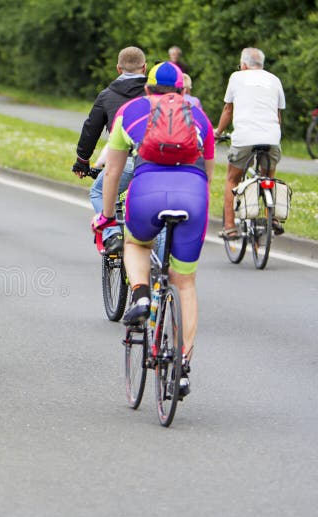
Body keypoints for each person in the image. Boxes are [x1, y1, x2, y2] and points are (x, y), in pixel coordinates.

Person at [96, 62, 215, 397]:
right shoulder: (199, 116)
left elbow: (112, 172)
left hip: (146, 192)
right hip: (192, 195)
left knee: (136, 244)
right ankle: (182, 368)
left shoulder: (130, 111)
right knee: (185, 282)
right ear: (181, 90)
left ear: (147, 89)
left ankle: (141, 294)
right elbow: (208, 173)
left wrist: (107, 216)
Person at [71, 46, 147, 254]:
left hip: (125, 161)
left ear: (118, 69)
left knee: (98, 192)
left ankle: (112, 234)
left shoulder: (107, 95)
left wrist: (82, 161)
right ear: (144, 68)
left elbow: (91, 130)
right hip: (154, 160)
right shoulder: (154, 94)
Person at [214, 47, 286, 238]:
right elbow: (277, 115)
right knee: (268, 176)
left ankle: (229, 227)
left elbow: (228, 109)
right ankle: (273, 217)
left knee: (233, 179)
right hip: (271, 137)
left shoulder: (236, 77)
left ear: (244, 64)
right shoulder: (274, 79)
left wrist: (218, 132)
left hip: (244, 138)